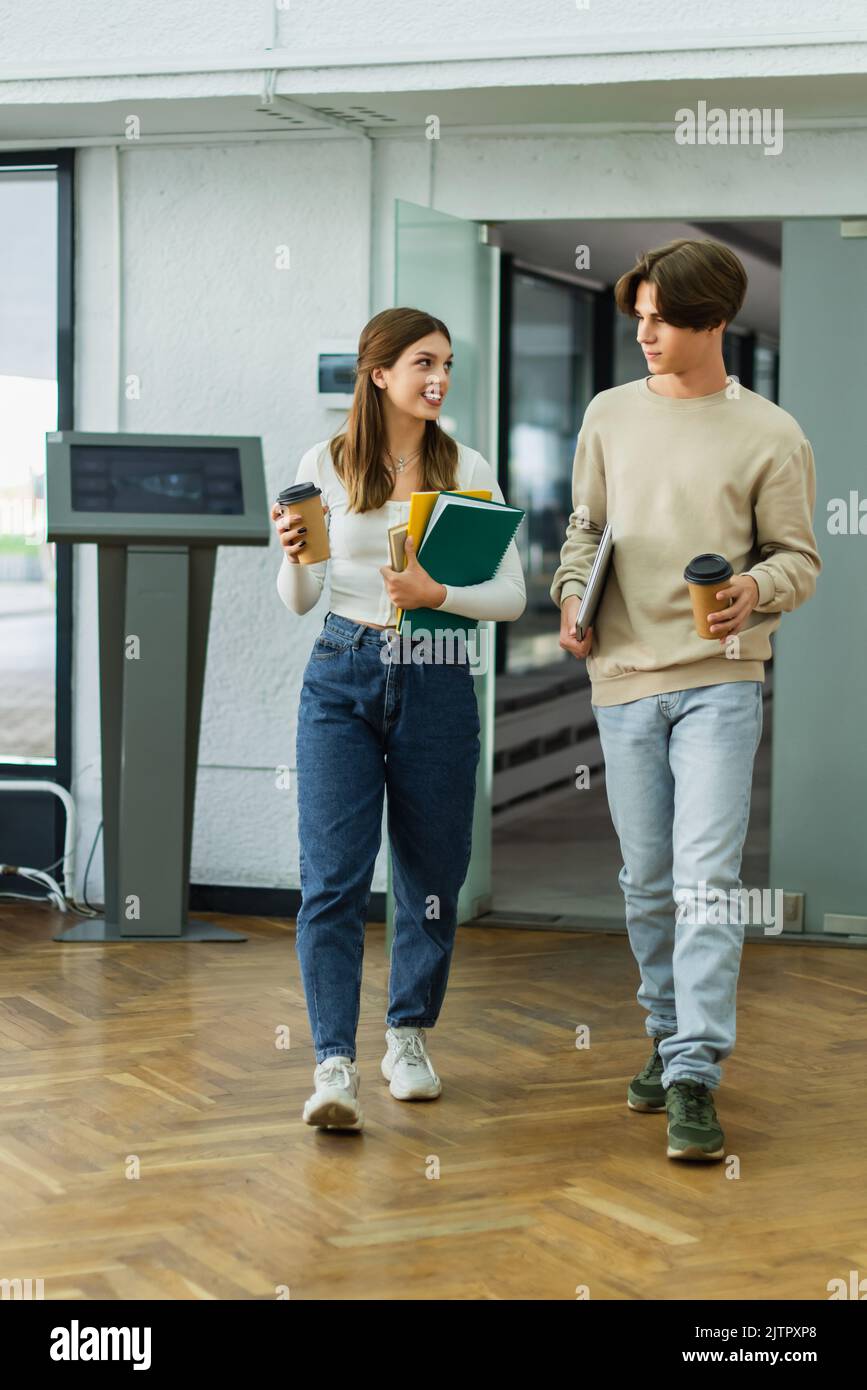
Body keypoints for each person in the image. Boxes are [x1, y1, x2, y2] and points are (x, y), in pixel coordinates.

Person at [551, 238, 821, 1161]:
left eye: (661, 317)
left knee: (706, 883)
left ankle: (695, 1071)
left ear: (713, 320)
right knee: (644, 885)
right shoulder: (608, 415)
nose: (644, 333)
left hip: (720, 679)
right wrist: (567, 595)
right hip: (622, 679)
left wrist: (758, 589)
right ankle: (666, 1041)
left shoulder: (770, 432)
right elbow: (585, 530)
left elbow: (799, 558)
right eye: (637, 317)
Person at [274, 306, 526, 1132]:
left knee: (431, 877)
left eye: (446, 363)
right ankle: (333, 1065)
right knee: (333, 878)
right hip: (341, 671)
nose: (438, 379)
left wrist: (435, 595)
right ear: (378, 372)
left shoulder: (467, 466)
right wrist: (293, 560)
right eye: (423, 363)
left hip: (439, 670)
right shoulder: (326, 463)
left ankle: (408, 1037)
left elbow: (511, 595)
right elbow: (301, 601)